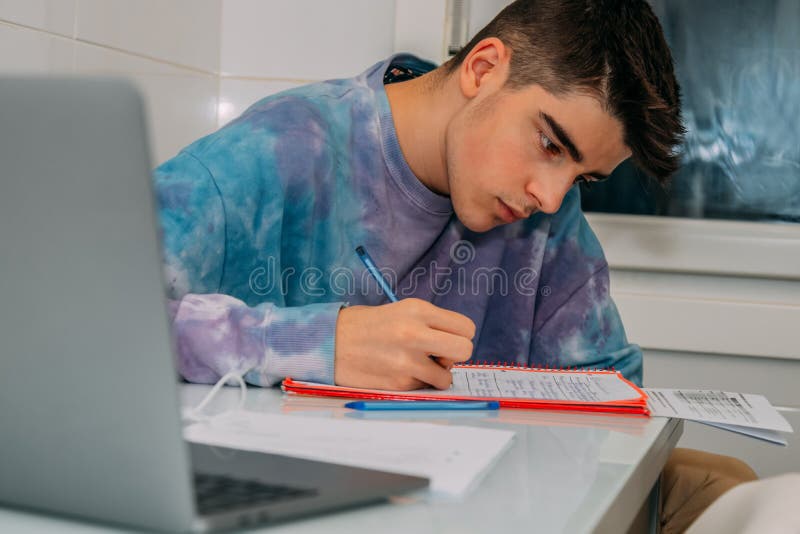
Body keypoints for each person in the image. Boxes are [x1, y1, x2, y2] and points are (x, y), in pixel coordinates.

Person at [154, 1, 753, 529]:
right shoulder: (283, 148)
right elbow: (81, 309)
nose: (550, 196)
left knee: (731, 489)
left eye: (581, 177)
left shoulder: (548, 218)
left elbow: (610, 394)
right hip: (287, 497)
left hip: (480, 504)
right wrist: (315, 342)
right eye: (550, 145)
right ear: (483, 68)